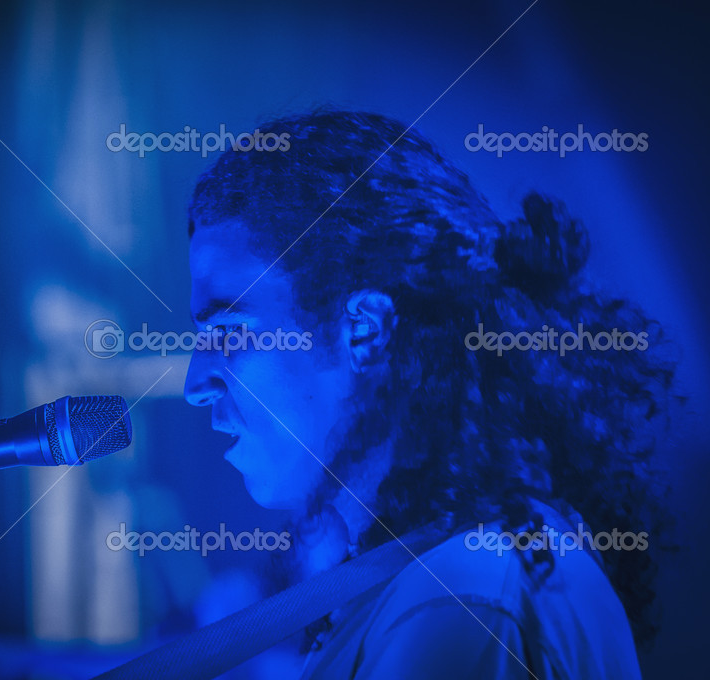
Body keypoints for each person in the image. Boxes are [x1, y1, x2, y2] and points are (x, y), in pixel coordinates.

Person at [183, 110, 677, 678]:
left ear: (364, 330)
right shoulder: (437, 576)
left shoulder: (460, 601)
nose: (195, 384)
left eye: (228, 332)